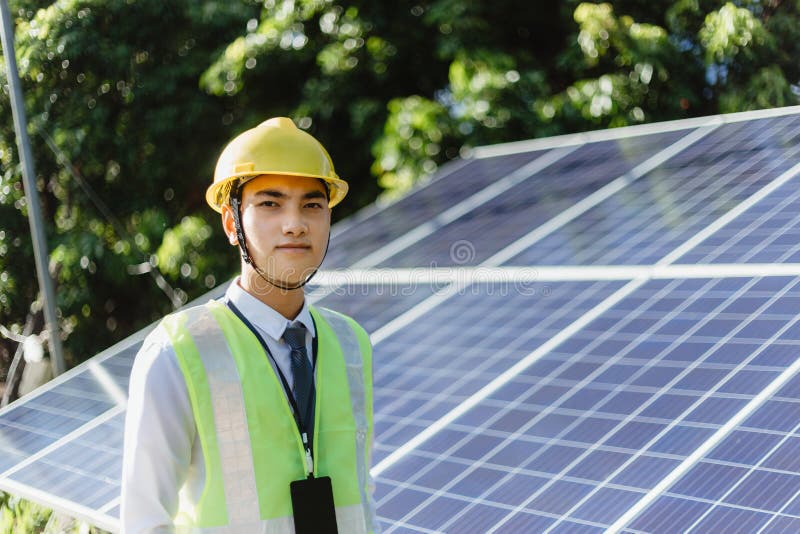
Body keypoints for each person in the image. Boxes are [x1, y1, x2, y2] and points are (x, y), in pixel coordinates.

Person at [121, 117, 378, 533]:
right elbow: (144, 522)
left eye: (313, 204)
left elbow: (362, 498)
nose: (295, 223)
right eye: (270, 204)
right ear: (230, 223)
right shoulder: (179, 352)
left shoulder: (352, 343)